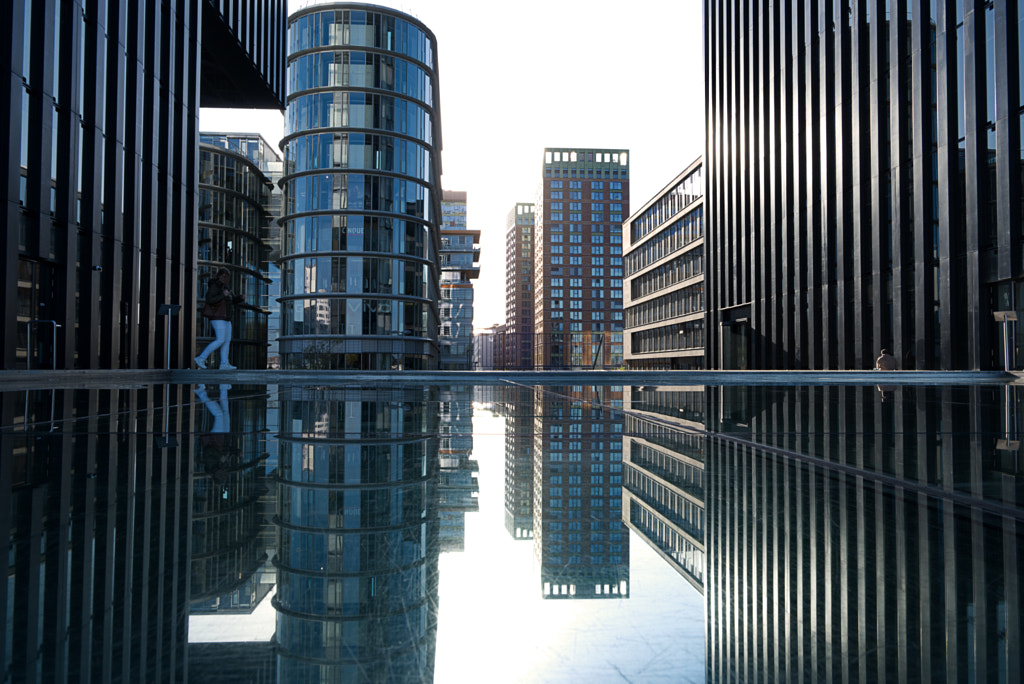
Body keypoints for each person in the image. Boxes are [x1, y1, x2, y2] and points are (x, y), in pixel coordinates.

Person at [195, 268, 244, 369]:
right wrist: (223, 295)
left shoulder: (226, 287)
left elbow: (232, 300)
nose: (225, 278)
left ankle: (224, 363)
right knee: (221, 340)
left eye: (227, 276)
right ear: (219, 276)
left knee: (226, 340)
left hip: (226, 317)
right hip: (217, 317)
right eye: (224, 276)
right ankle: (201, 358)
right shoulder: (215, 285)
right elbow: (209, 299)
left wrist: (240, 298)